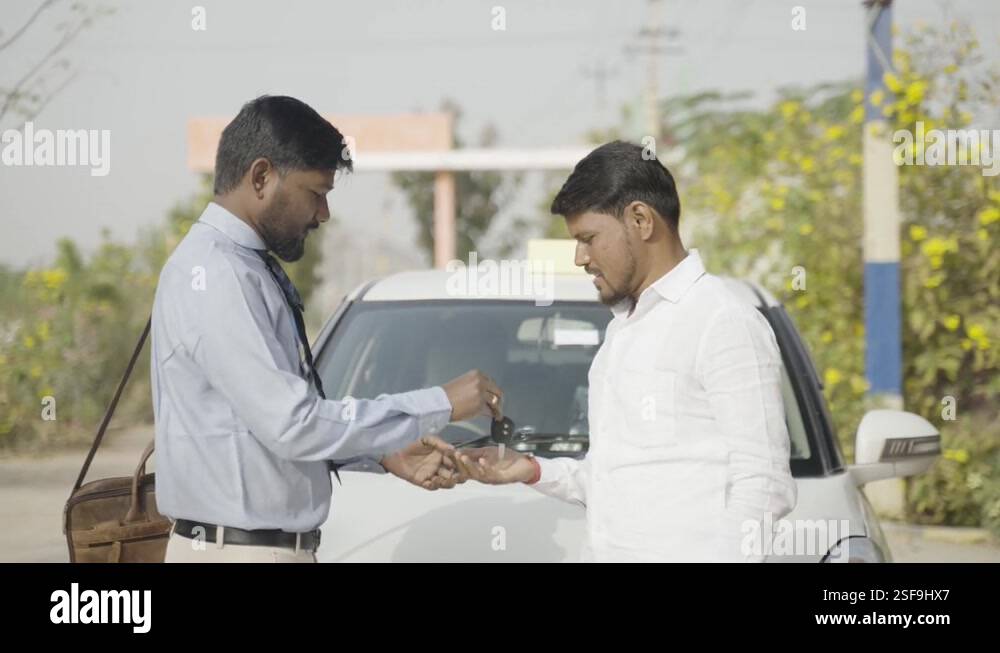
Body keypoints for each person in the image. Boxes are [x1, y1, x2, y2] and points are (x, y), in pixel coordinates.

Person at [152, 95, 501, 563]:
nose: (323, 214)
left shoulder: (241, 267)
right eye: (315, 193)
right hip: (240, 551)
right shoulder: (218, 274)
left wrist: (380, 452)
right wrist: (439, 403)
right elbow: (292, 424)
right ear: (261, 177)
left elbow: (257, 429)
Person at [456, 141, 796, 562]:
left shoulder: (722, 319)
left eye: (588, 238)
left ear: (640, 219)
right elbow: (614, 477)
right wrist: (532, 468)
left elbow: (762, 483)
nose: (580, 257)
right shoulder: (623, 331)